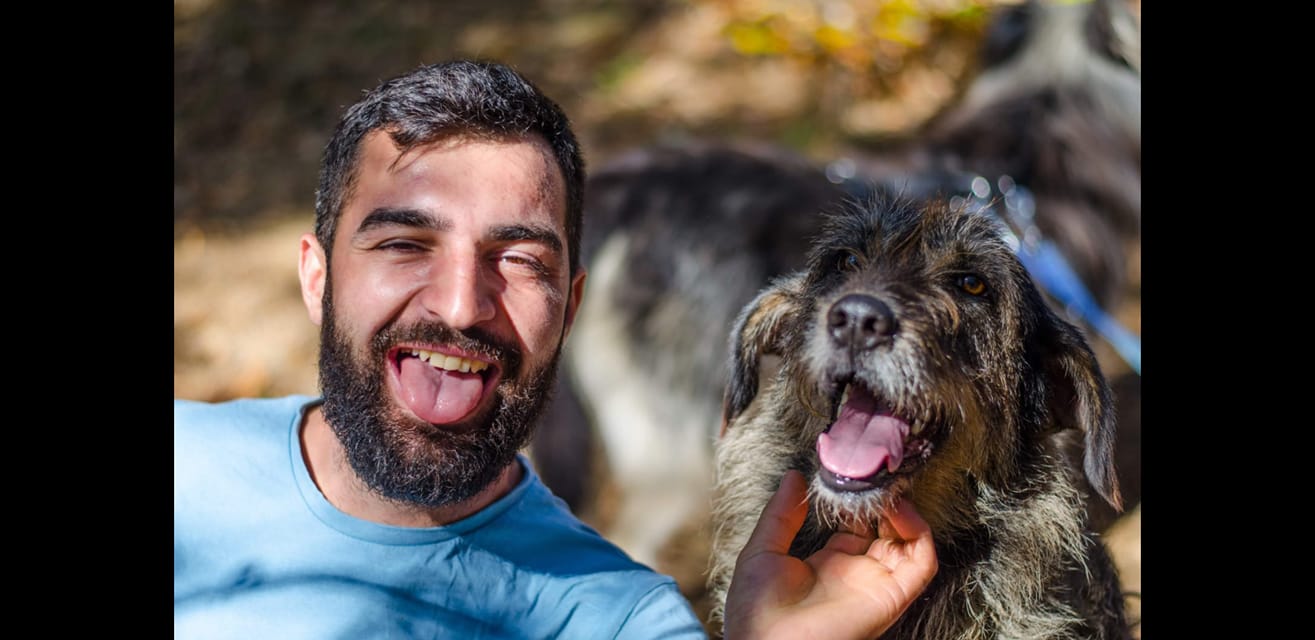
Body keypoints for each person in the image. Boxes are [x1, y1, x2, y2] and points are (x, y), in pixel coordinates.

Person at [174, 59, 937, 639]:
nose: (461, 305)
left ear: (570, 307)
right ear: (317, 276)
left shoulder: (619, 619)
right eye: (405, 244)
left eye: (519, 260)